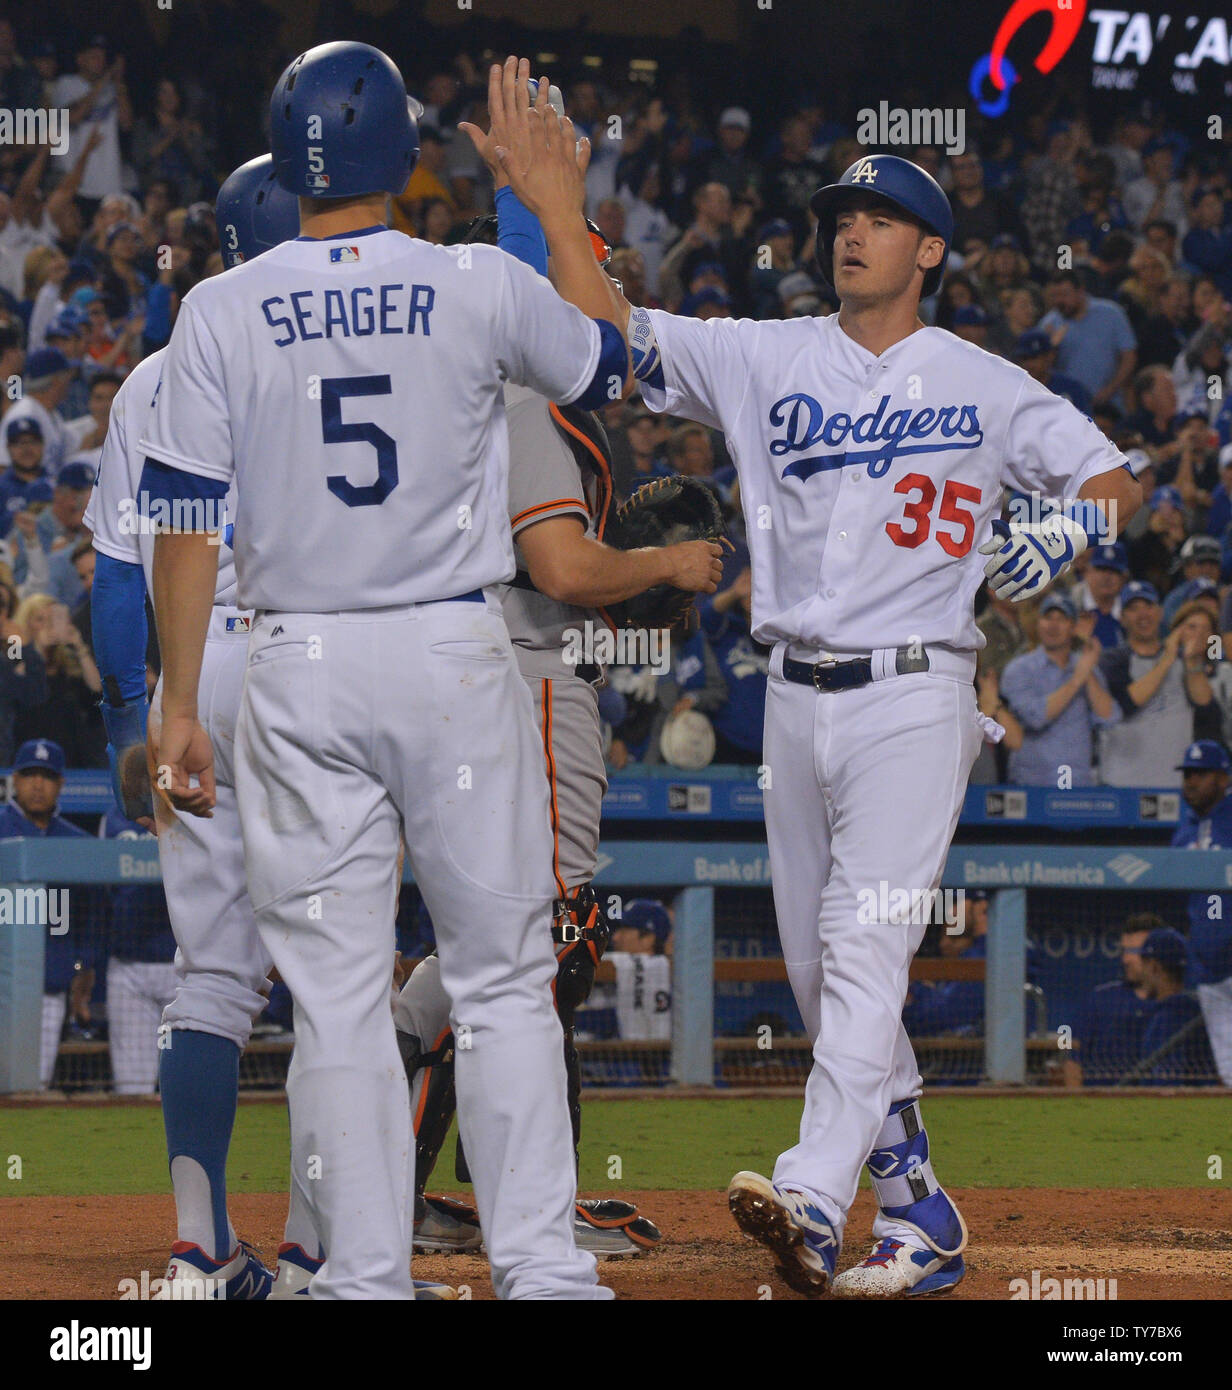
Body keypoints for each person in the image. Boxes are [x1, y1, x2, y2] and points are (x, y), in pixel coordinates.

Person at [496, 109, 1140, 1296]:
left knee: (863, 945)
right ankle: (918, 1210)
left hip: (916, 688)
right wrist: (551, 210)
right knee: (819, 972)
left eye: (880, 216)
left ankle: (808, 1193)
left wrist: (1063, 531)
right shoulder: (765, 355)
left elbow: (1112, 478)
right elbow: (611, 338)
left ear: (929, 250)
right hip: (793, 701)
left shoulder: (981, 382)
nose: (851, 232)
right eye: (840, 215)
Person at [143, 46, 631, 1302]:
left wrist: (181, 699)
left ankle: (361, 1275)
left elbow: (187, 523)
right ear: (406, 157)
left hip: (297, 657)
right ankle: (542, 1269)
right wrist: (553, 203)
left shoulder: (218, 308)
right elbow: (614, 364)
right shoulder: (473, 279)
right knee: (504, 979)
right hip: (451, 650)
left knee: (336, 1002)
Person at [395, 207, 714, 1262]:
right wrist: (663, 568)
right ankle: (529, 1203)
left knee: (501, 939)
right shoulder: (528, 388)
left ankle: (410, 1184)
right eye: (585, 262)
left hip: (461, 664)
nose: (606, 282)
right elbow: (564, 572)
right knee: (550, 943)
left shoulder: (467, 380)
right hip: (521, 666)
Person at [0, 739, 94, 1090]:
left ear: (61, 784)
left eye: (47, 776)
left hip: (51, 988)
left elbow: (89, 918)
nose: (38, 785)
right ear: (14, 779)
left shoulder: (78, 843)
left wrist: (82, 966)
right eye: (29, 775)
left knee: (33, 1089)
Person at [1099, 581, 1214, 786]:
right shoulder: (1112, 659)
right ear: (1122, 618)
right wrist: (1167, 658)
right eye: (1133, 609)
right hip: (1122, 786)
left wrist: (1191, 661)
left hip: (1174, 784)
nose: (1143, 614)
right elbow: (1126, 704)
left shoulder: (1182, 660)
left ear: (1160, 613)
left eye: (1149, 606)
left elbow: (1205, 706)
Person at [998, 592, 1117, 787]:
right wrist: (1077, 679)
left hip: (1077, 783)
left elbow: (1108, 717)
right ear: (1038, 624)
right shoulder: (1019, 669)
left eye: (1062, 619)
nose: (1053, 625)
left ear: (1073, 627)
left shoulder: (1086, 667)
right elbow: (1035, 718)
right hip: (1031, 783)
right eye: (1048, 618)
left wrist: (1087, 673)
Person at [1169, 741, 1232, 1086]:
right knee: (1229, 1071)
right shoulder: (1187, 827)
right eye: (1187, 774)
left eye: (1201, 774)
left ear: (1223, 778)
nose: (1191, 781)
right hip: (1210, 968)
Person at [1039, 269, 1137, 409]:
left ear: (1081, 291)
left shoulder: (1111, 313)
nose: (1059, 301)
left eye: (1064, 295)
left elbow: (1129, 357)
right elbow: (1041, 371)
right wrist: (1050, 347)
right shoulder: (1049, 324)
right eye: (1055, 296)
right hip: (1070, 406)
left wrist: (1110, 389)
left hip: (1112, 403)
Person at [1072, 918, 1153, 1085]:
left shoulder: (1177, 1006)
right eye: (1125, 951)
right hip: (1100, 1105)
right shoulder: (1100, 998)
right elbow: (1069, 1050)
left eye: (1134, 951)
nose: (1126, 959)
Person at [1133, 928, 1218, 1084]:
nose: (1142, 972)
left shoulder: (1168, 1018)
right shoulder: (1195, 1011)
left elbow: (1166, 1083)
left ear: (1154, 967)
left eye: (1143, 964)